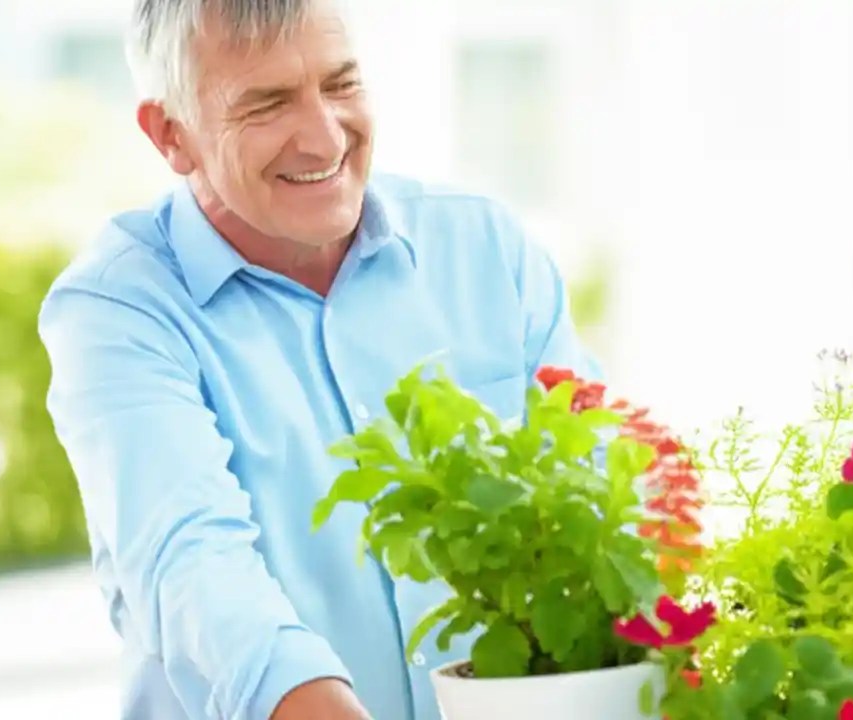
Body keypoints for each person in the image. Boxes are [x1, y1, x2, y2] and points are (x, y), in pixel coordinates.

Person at [38, 1, 598, 718]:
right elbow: (195, 566)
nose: (324, 137)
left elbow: (600, 491)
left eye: (341, 85)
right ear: (171, 134)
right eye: (267, 104)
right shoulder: (116, 308)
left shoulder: (485, 246)